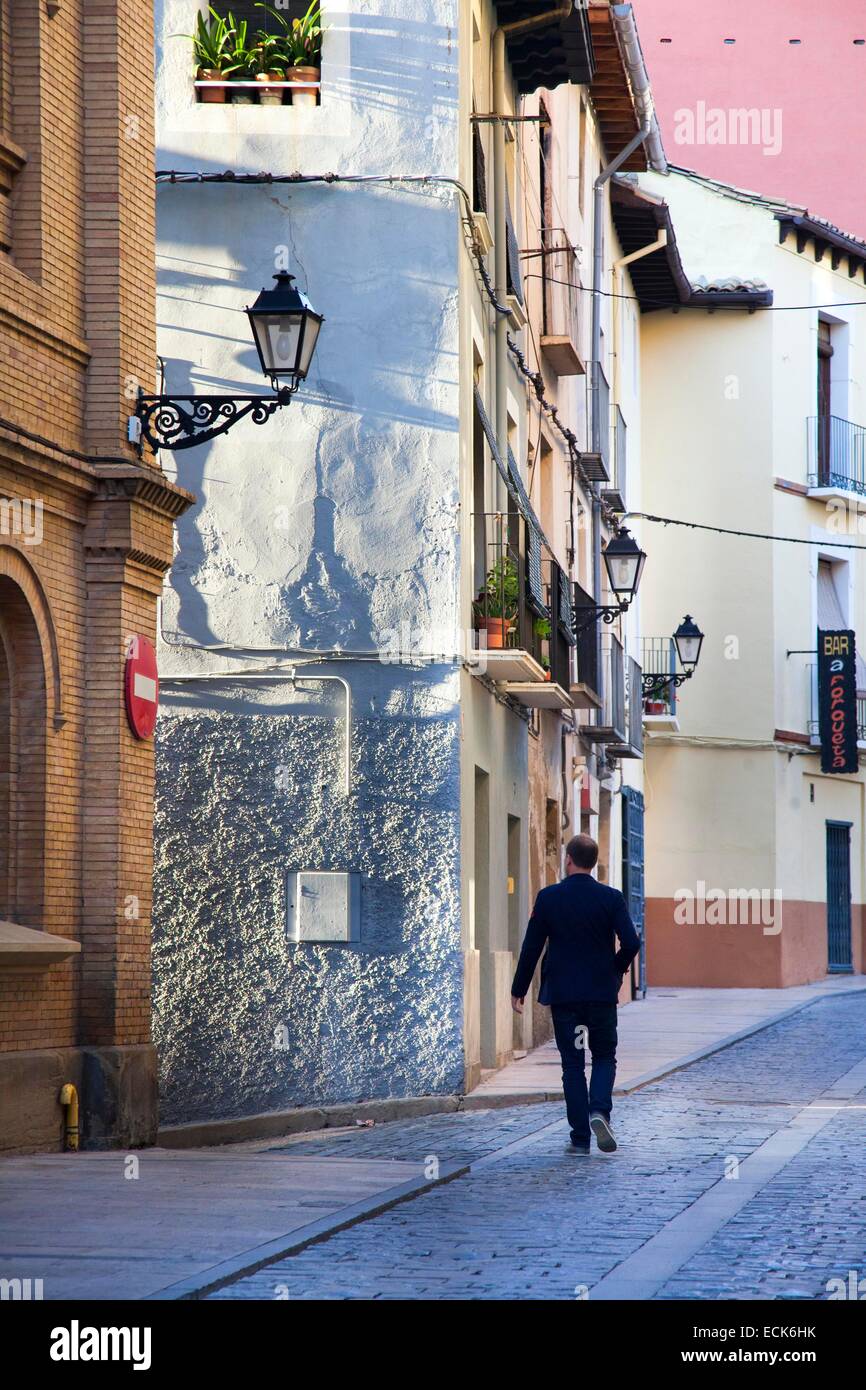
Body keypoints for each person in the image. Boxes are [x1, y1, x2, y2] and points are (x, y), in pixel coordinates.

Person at [511, 833, 640, 1156]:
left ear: (568, 860)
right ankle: (600, 1112)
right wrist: (616, 969)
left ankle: (580, 1137)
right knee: (604, 1056)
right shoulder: (610, 898)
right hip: (600, 995)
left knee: (572, 1064)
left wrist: (519, 989)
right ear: (593, 862)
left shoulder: (548, 898)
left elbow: (532, 947)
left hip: (565, 996)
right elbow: (632, 943)